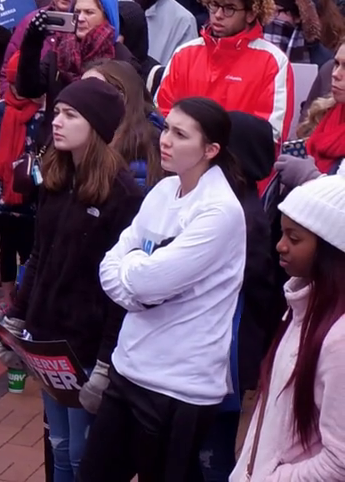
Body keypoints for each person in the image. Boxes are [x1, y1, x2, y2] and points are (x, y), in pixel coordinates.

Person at [84, 97, 249, 480]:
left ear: (211, 150)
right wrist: (139, 287)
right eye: (166, 128)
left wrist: (137, 279)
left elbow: (146, 281)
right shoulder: (163, 191)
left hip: (178, 387)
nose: (166, 140)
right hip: (128, 367)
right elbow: (111, 266)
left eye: (180, 134)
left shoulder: (219, 211)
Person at [0, 78, 142, 482]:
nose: (56, 122)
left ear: (96, 126)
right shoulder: (57, 176)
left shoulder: (123, 194)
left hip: (85, 346)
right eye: (57, 112)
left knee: (82, 453)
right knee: (59, 444)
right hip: (48, 339)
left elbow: (121, 290)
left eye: (70, 115)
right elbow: (39, 256)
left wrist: (105, 363)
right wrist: (16, 320)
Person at [234, 174, 345, 480]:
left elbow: (339, 462)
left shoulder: (338, 341)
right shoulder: (300, 307)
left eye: (294, 239)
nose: (280, 246)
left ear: (332, 250)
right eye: (282, 233)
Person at [158, 0, 295, 139]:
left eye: (229, 8)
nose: (218, 15)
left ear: (251, 14)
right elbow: (162, 113)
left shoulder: (273, 61)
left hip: (238, 156)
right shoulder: (184, 53)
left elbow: (270, 134)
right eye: (214, 5)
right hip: (183, 154)